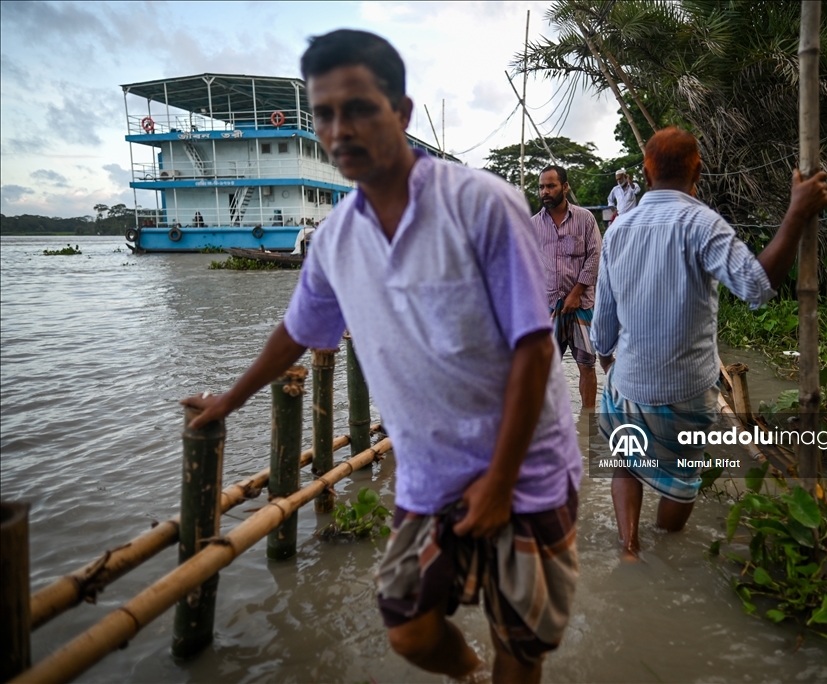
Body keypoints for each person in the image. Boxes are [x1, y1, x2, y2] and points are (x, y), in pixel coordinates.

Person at [182, 30, 581, 684]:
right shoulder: (337, 239)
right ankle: (469, 674)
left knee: (524, 642)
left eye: (360, 108)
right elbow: (296, 330)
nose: (340, 129)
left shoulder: (478, 204)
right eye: (325, 113)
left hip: (525, 464)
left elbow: (535, 349)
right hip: (428, 474)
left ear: (402, 112)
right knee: (408, 627)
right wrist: (230, 398)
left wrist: (503, 481)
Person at [591, 127, 827, 561]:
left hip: (626, 385)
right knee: (682, 481)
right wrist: (796, 214)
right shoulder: (702, 223)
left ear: (645, 171)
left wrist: (617, 371)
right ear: (697, 170)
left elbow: (602, 333)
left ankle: (629, 550)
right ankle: (665, 553)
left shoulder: (618, 232)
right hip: (686, 394)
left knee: (623, 459)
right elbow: (757, 287)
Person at [533, 165, 602, 409]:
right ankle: (548, 428)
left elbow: (594, 257)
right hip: (549, 307)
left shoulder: (585, 219)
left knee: (586, 365)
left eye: (551, 186)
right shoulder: (533, 225)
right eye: (541, 187)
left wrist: (576, 293)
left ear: (565, 187)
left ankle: (587, 424)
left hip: (581, 304)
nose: (545, 192)